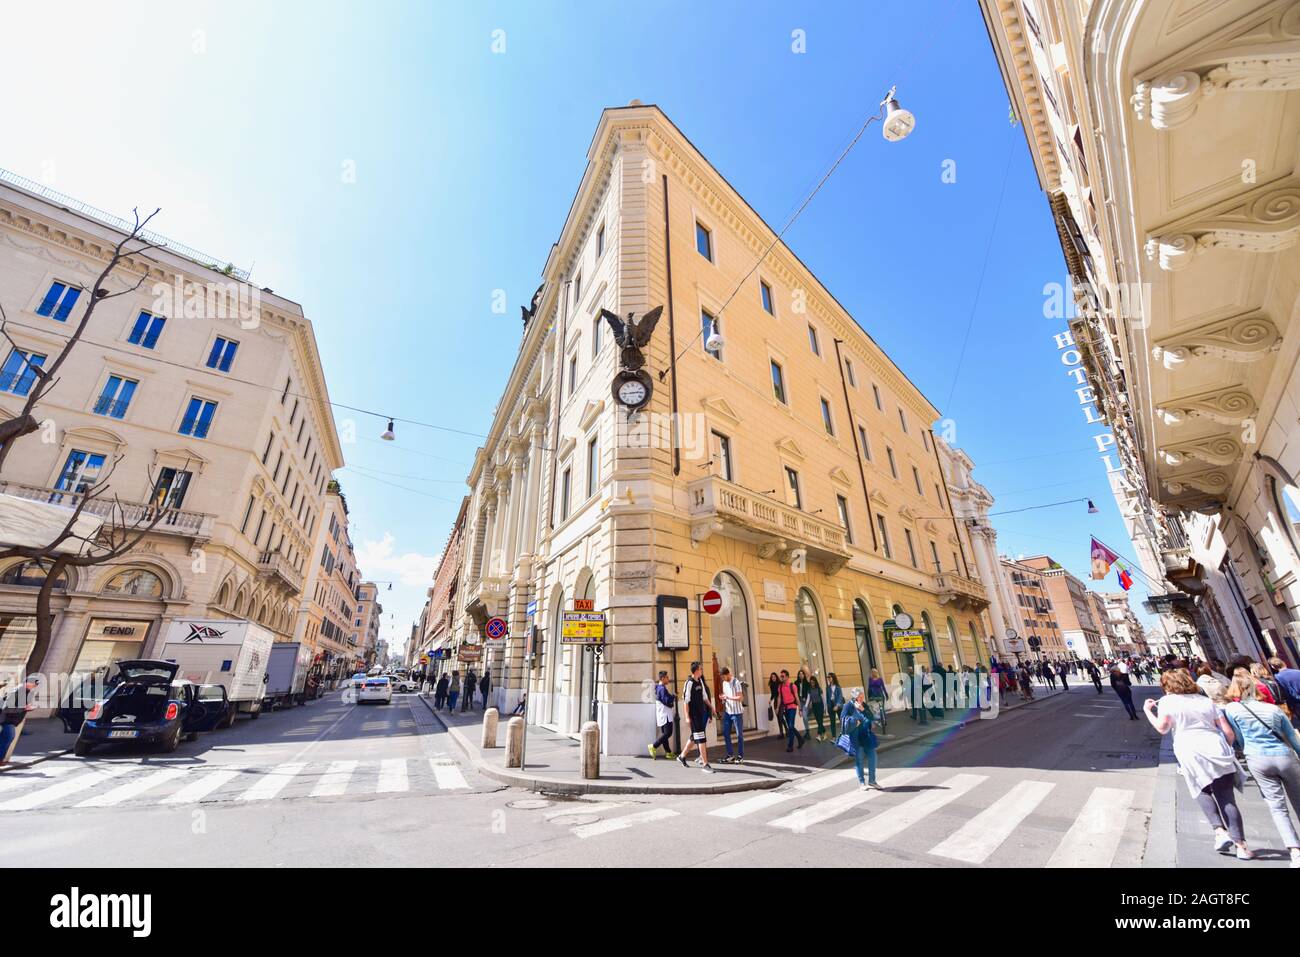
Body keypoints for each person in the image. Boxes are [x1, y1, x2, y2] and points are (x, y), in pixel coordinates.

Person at [1145, 668, 1252, 860]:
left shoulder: (1168, 702)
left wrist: (1147, 711)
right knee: (1227, 798)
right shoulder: (1206, 701)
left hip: (1190, 750)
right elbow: (1228, 732)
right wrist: (1224, 748)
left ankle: (1219, 831)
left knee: (1202, 790)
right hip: (1215, 747)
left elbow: (1162, 728)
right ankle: (1241, 845)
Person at [1222, 673, 1300, 868]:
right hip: (1284, 755)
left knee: (1277, 807)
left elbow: (1238, 738)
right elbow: (1291, 736)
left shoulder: (1231, 709)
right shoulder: (1272, 709)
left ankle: (1295, 852)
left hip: (1256, 758)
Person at [676, 662, 715, 772]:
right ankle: (705, 764)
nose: (702, 670)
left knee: (695, 737)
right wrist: (687, 717)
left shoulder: (700, 681)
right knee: (701, 739)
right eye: (701, 669)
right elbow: (685, 701)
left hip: (701, 714)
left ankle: (682, 756)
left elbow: (705, 697)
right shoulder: (689, 683)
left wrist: (712, 707)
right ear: (696, 670)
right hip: (694, 716)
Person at [841, 688, 882, 791]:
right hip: (856, 737)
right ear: (855, 697)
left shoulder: (864, 705)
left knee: (873, 757)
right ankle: (862, 782)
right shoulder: (848, 706)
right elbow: (842, 719)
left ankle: (872, 781)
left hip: (867, 735)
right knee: (859, 760)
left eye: (863, 696)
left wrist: (863, 710)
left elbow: (871, 717)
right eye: (860, 697)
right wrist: (855, 721)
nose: (862, 698)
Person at [719, 667, 745, 764]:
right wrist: (723, 699)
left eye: (723, 677)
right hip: (728, 712)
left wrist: (728, 697)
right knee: (726, 734)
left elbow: (741, 697)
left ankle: (740, 756)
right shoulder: (724, 683)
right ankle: (730, 755)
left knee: (739, 735)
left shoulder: (736, 682)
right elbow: (726, 697)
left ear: (728, 674)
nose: (723, 679)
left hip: (737, 713)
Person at [648, 670, 676, 760]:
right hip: (665, 715)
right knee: (668, 733)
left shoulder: (659, 688)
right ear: (663, 678)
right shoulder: (662, 689)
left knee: (665, 734)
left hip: (662, 715)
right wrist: (673, 696)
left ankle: (668, 752)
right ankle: (654, 746)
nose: (668, 679)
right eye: (667, 677)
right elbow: (667, 701)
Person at [776, 670, 804, 752]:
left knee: (790, 726)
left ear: (787, 677)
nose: (781, 677)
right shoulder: (780, 687)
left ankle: (790, 746)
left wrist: (800, 709)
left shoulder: (793, 686)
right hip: (785, 708)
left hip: (792, 707)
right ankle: (800, 739)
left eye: (783, 676)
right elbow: (779, 698)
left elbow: (797, 697)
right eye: (781, 676)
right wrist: (777, 708)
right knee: (790, 726)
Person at [1269, 656, 1300, 728]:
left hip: (1296, 703)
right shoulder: (1297, 671)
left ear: (1273, 667)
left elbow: (1285, 693)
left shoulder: (1278, 677)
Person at [867, 668, 888, 736]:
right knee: (874, 709)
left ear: (877, 672)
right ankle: (877, 721)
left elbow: (883, 687)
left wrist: (886, 694)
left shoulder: (880, 679)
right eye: (872, 672)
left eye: (875, 672)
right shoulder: (870, 679)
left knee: (881, 709)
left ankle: (884, 721)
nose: (874, 673)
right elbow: (869, 687)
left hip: (880, 695)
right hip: (873, 696)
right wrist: (868, 695)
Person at [804, 676, 826, 741]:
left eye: (813, 682)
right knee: (819, 721)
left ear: (815, 682)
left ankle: (819, 735)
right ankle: (824, 733)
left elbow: (823, 698)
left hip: (820, 705)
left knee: (820, 720)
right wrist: (805, 706)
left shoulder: (819, 689)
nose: (812, 683)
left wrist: (825, 707)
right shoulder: (809, 689)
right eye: (811, 682)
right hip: (814, 706)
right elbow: (808, 698)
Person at [768, 672, 787, 739]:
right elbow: (773, 694)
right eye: (772, 677)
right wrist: (770, 700)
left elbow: (783, 693)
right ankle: (781, 733)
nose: (773, 678)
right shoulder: (771, 685)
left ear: (776, 677)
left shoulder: (780, 684)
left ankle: (786, 731)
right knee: (778, 717)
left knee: (780, 717)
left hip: (781, 701)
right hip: (775, 701)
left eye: (774, 677)